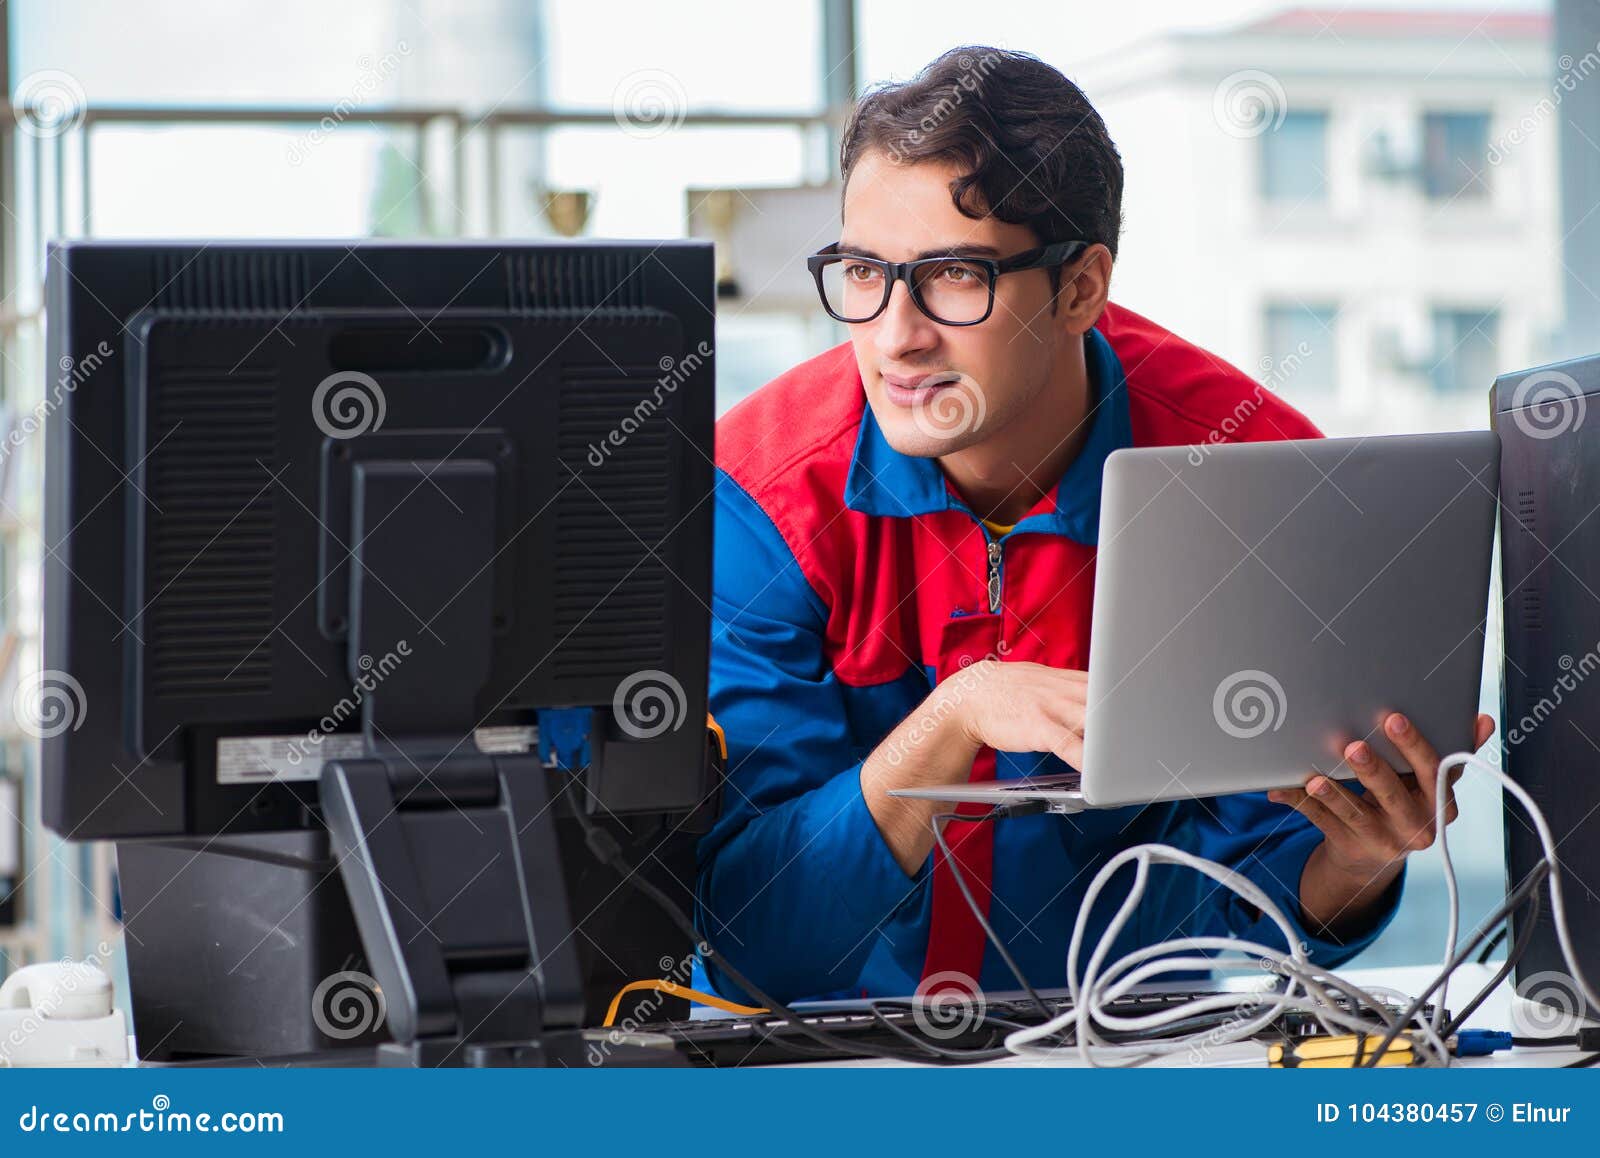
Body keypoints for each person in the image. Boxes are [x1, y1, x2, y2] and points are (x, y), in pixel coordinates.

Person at [697, 46, 1493, 1004]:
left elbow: (1268, 884)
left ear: (1080, 288)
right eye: (865, 272)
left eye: (952, 276)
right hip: (828, 1064)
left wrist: (1360, 860)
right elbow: (753, 930)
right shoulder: (758, 496)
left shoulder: (1244, 467)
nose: (896, 334)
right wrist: (953, 719)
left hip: (1135, 1049)